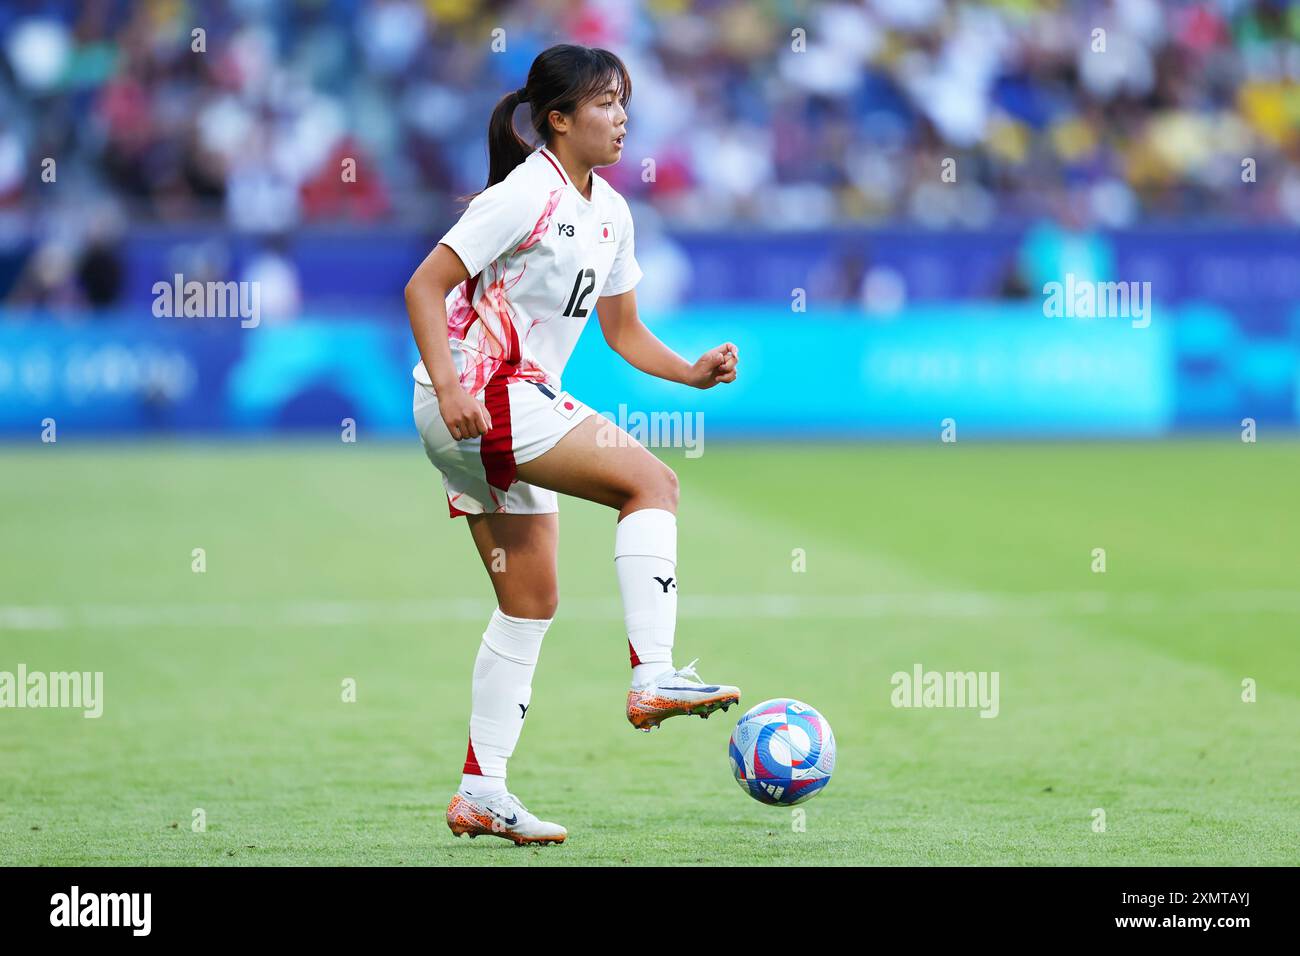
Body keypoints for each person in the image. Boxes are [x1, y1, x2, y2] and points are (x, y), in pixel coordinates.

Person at [405, 44, 741, 846]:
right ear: (558, 119)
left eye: (625, 102)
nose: (622, 117)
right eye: (604, 104)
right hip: (484, 392)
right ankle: (652, 672)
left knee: (529, 603)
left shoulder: (612, 212)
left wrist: (690, 375)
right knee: (652, 483)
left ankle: (481, 790)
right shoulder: (526, 193)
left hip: (485, 407)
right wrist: (453, 388)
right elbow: (424, 285)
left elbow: (622, 330)